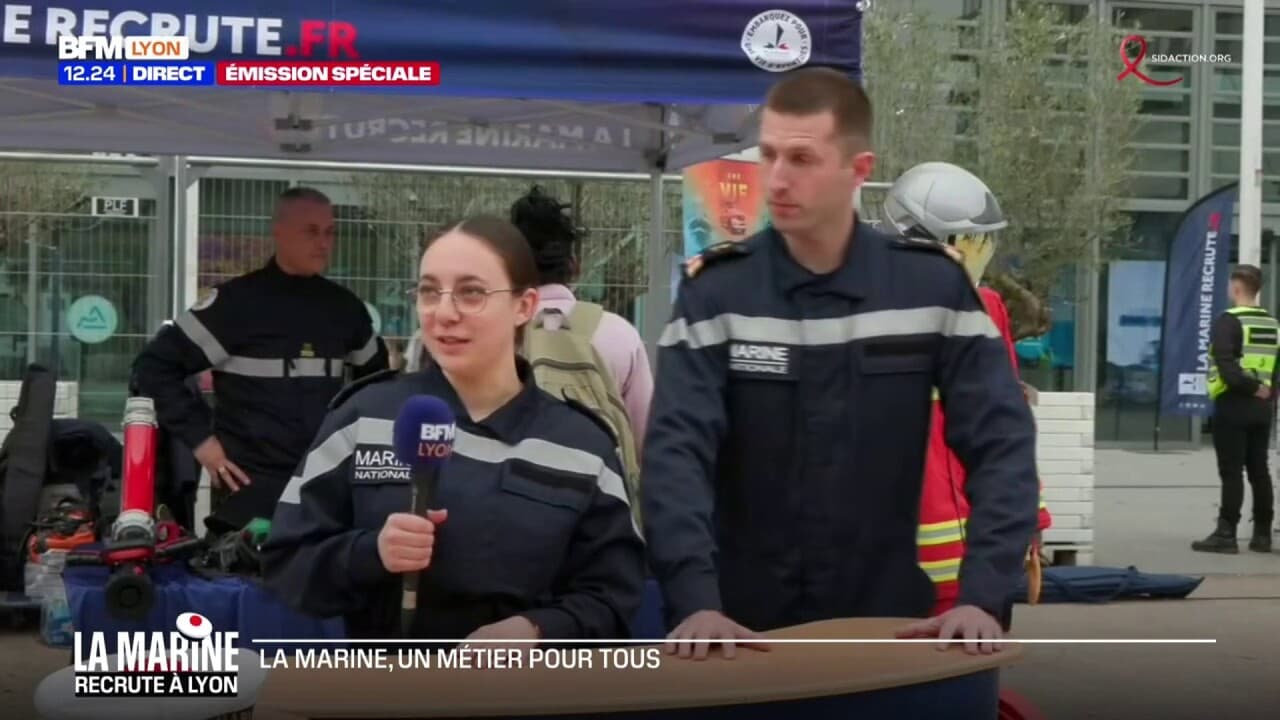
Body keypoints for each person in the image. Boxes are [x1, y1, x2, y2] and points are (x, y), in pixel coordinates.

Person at [641, 67, 1039, 660]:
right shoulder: (716, 296)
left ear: (859, 170)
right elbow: (675, 456)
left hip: (887, 628)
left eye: (801, 159)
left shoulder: (929, 289)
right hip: (740, 634)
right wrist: (695, 599)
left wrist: (983, 596)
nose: (776, 178)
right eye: (769, 154)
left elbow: (1002, 444)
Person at [260, 215, 646, 642]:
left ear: (525, 306)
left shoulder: (582, 444)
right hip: (389, 694)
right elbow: (286, 563)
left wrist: (537, 630)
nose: (444, 313)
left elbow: (614, 598)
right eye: (429, 292)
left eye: (471, 293)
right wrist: (373, 552)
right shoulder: (364, 418)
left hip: (526, 696)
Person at [131, 187, 389, 535]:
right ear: (279, 232)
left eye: (330, 232)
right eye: (310, 231)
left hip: (322, 494)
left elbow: (378, 386)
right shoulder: (235, 305)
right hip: (248, 495)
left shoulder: (345, 309)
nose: (323, 243)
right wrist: (202, 442)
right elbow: (152, 368)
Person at [880, 161, 1054, 615]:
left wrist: (1029, 519)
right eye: (964, 245)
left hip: (983, 560)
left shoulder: (987, 308)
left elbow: (1010, 425)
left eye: (981, 247)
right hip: (905, 564)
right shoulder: (870, 313)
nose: (972, 262)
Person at [509, 185, 654, 446]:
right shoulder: (621, 336)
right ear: (574, 266)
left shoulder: (492, 333)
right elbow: (645, 440)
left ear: (510, 269)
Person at [1194, 264, 1277, 554]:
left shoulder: (1228, 321)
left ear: (1237, 288)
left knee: (1232, 471)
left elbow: (1227, 367)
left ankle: (1226, 533)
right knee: (1259, 470)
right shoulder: (1271, 323)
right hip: (1263, 408)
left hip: (1234, 403)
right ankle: (1263, 535)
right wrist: (1267, 395)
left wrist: (1250, 387)